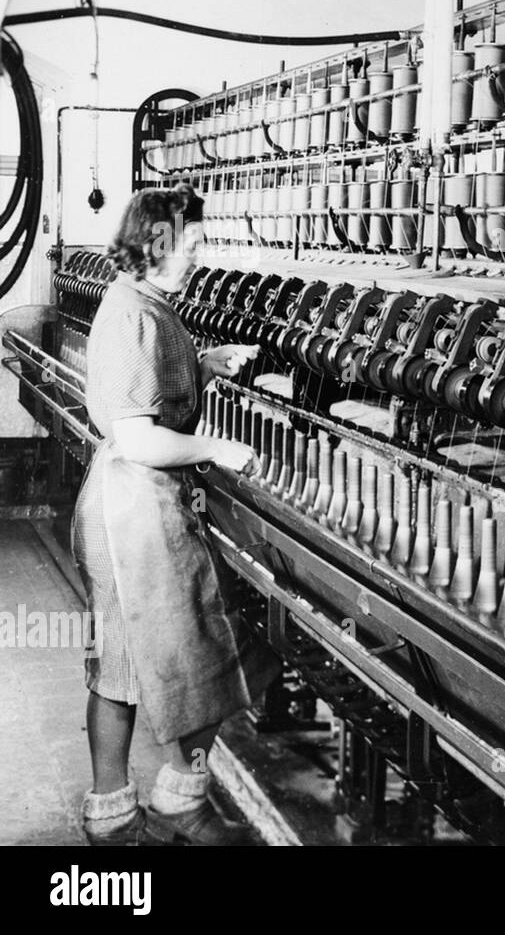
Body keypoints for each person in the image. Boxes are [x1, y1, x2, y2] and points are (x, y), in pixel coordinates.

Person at [73, 184, 279, 846]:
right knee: (215, 651)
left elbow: (149, 386)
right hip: (136, 510)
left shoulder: (142, 305)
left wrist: (204, 364)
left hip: (123, 502)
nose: (200, 251)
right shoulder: (138, 314)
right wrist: (220, 447)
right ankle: (176, 797)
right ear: (160, 242)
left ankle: (116, 809)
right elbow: (139, 436)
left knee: (125, 666)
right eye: (193, 241)